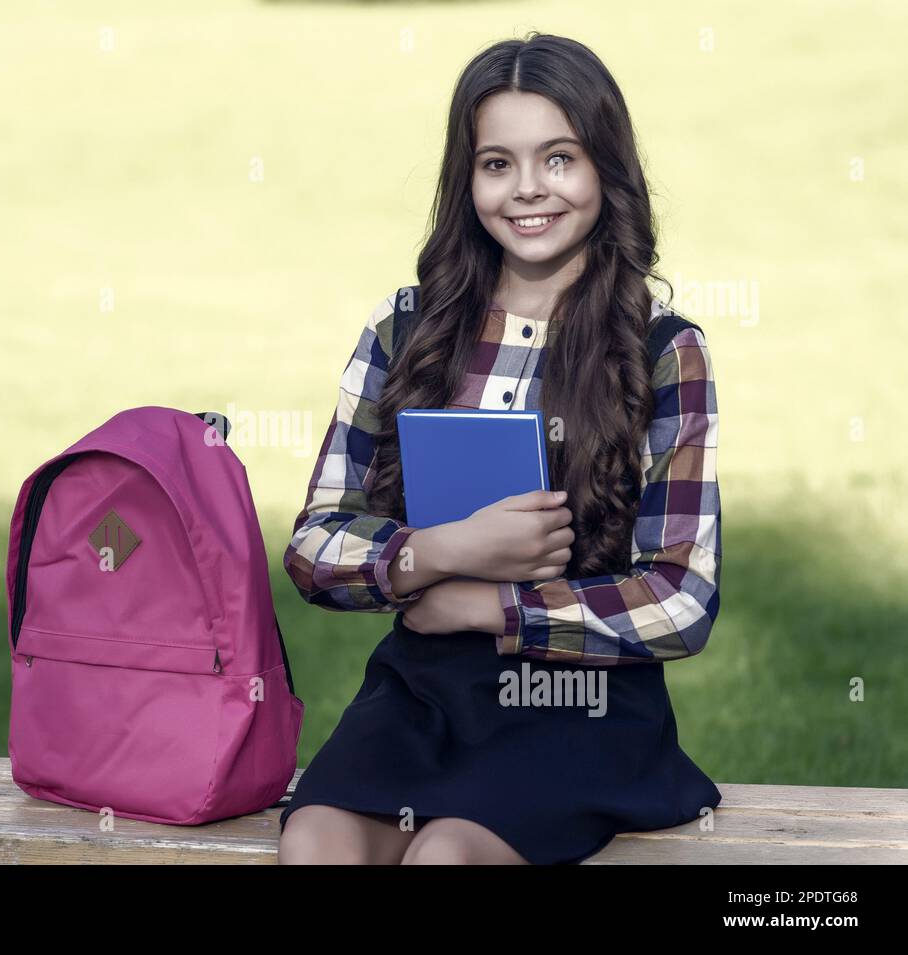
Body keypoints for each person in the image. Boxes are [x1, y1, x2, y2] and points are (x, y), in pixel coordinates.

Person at [277, 32, 723, 865]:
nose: (527, 189)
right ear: (467, 178)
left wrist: (491, 606)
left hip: (584, 699)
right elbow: (313, 545)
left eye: (559, 158)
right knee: (314, 836)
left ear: (606, 168)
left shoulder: (662, 349)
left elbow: (682, 597)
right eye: (496, 163)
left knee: (445, 852)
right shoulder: (406, 328)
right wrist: (441, 551)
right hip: (422, 692)